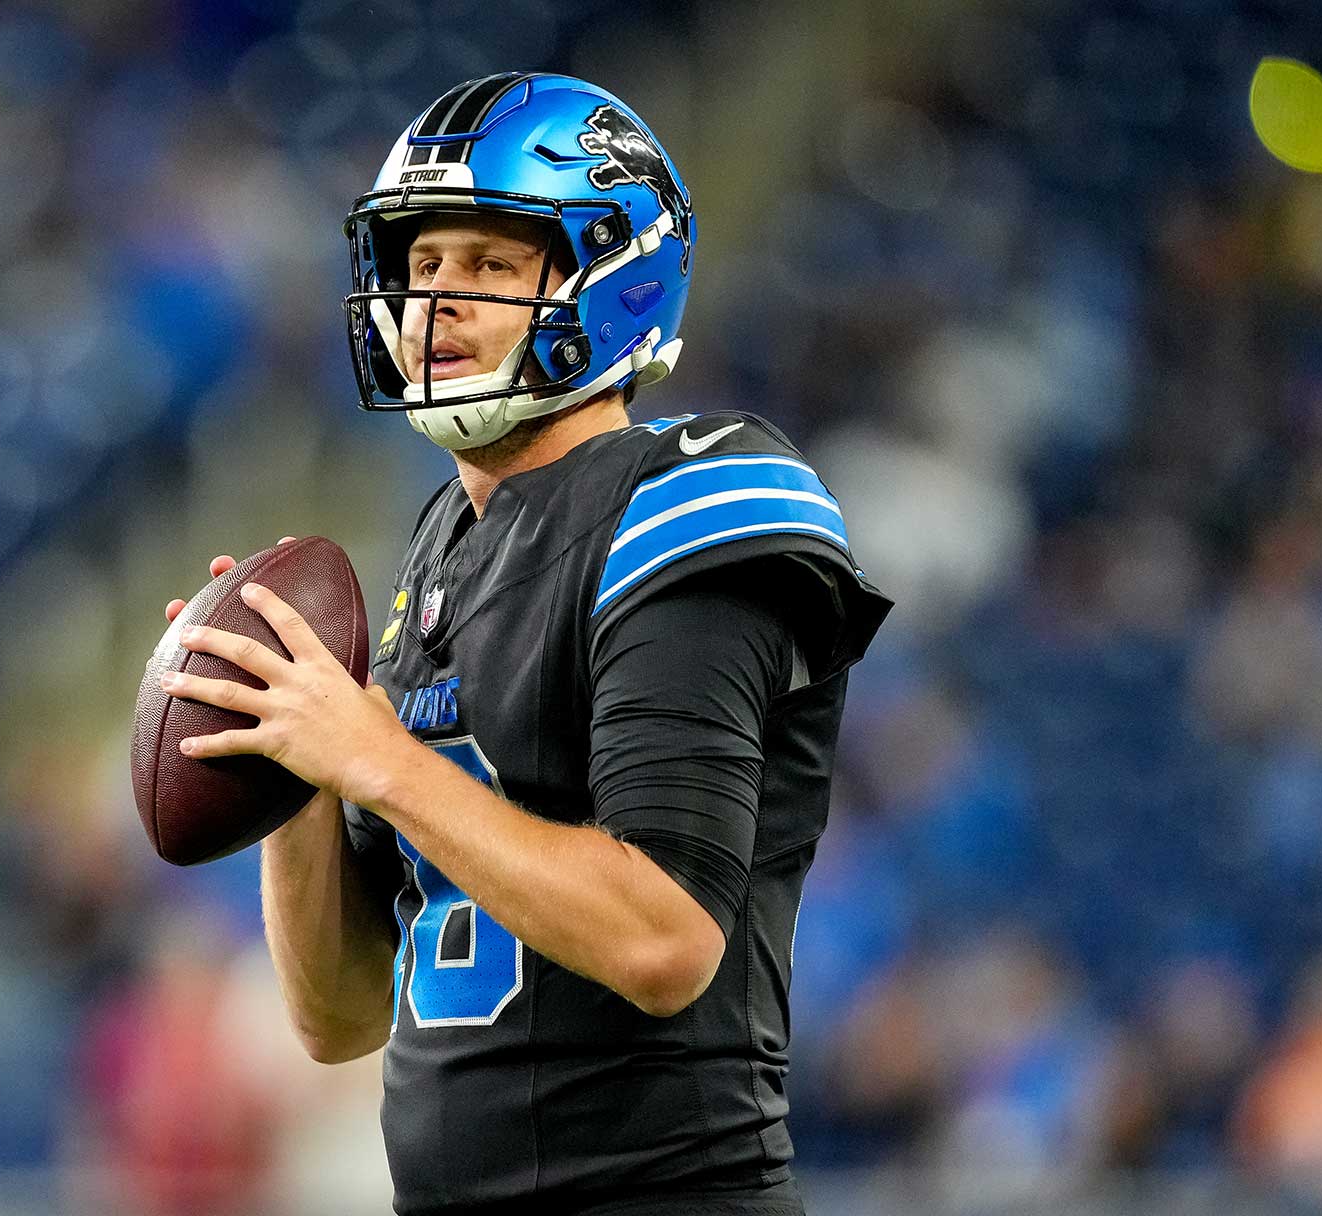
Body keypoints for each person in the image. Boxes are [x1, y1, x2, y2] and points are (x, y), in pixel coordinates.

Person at [159, 72, 891, 1216]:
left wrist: (375, 757)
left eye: (489, 265)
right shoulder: (442, 547)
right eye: (419, 263)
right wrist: (291, 759)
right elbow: (340, 1014)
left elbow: (665, 938)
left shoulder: (692, 493)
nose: (434, 301)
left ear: (611, 276)